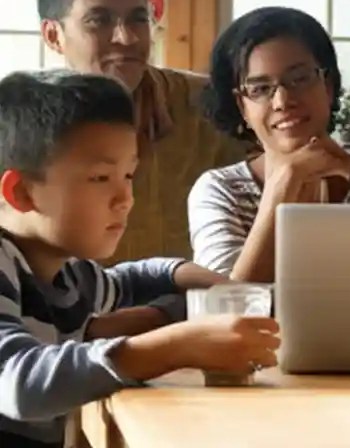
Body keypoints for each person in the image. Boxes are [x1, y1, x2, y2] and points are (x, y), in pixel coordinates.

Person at [0, 70, 279, 448]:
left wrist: (188, 276)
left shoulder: (69, 275)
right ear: (21, 192)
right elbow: (18, 383)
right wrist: (173, 346)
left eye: (128, 175)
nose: (125, 198)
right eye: (100, 178)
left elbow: (127, 282)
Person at [37, 0, 246, 263]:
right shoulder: (21, 126)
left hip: (197, 306)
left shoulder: (210, 105)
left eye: (138, 19)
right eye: (99, 21)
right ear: (54, 36)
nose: (127, 38)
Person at [188, 7, 350, 282]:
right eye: (261, 89)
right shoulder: (220, 191)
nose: (283, 101)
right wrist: (282, 187)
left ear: (329, 85)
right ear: (242, 107)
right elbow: (224, 310)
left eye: (299, 79)